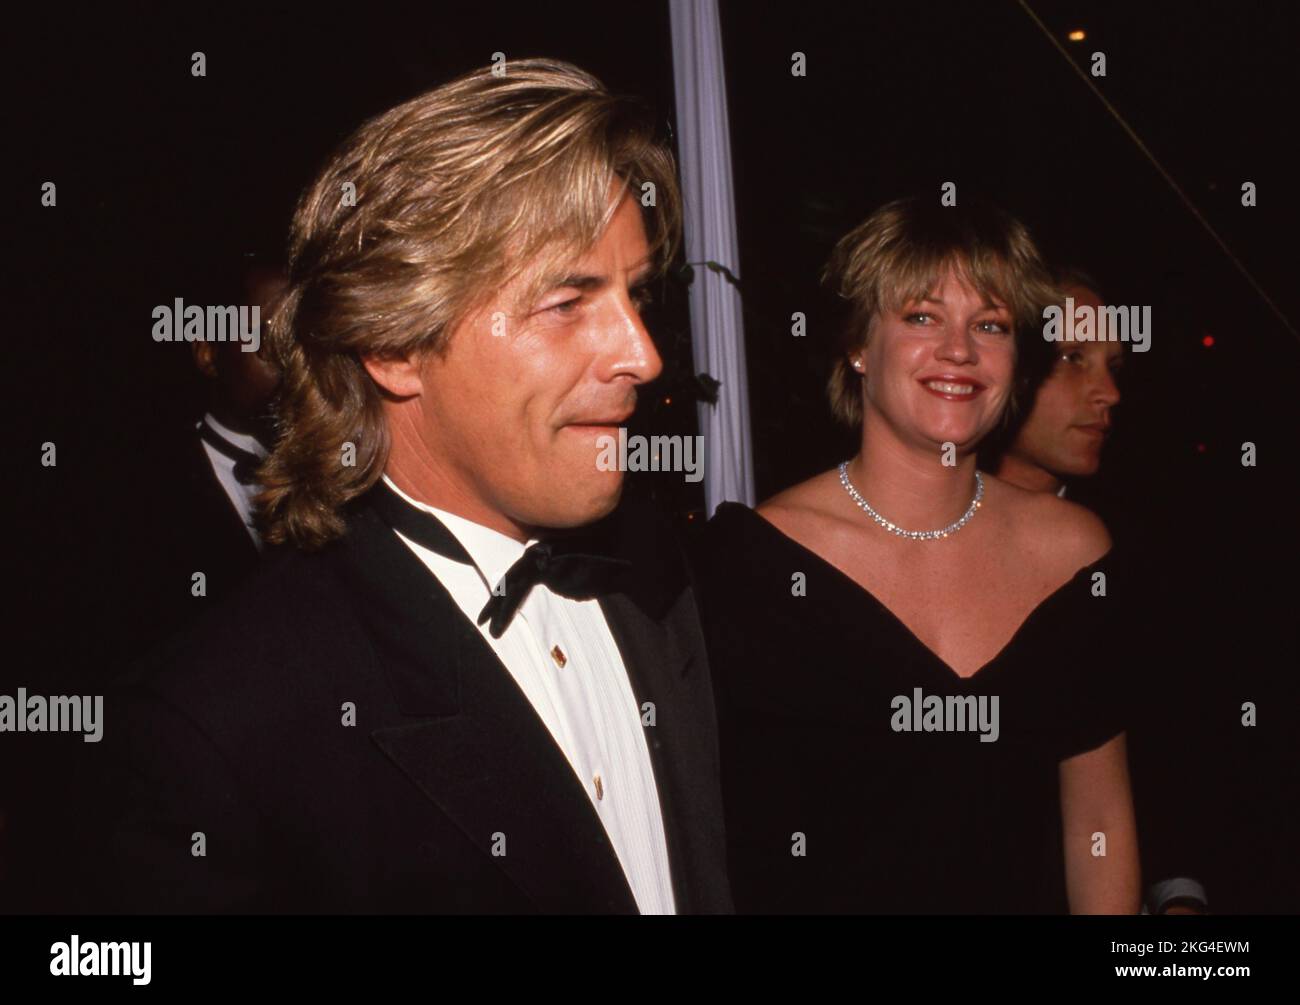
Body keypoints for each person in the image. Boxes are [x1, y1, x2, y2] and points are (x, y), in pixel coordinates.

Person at [84, 58, 731, 914]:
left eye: (636, 295)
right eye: (570, 302)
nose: (643, 355)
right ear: (393, 347)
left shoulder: (655, 575)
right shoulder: (222, 726)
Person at [697, 197, 1140, 913]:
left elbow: (1100, 822)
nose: (959, 349)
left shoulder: (1077, 555)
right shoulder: (750, 565)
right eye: (922, 316)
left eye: (990, 324)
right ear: (859, 344)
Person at [994, 269, 1209, 916]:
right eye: (1072, 360)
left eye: (1114, 364)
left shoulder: (1132, 560)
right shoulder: (903, 551)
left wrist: (1179, 899)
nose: (1109, 392)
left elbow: (1167, 750)